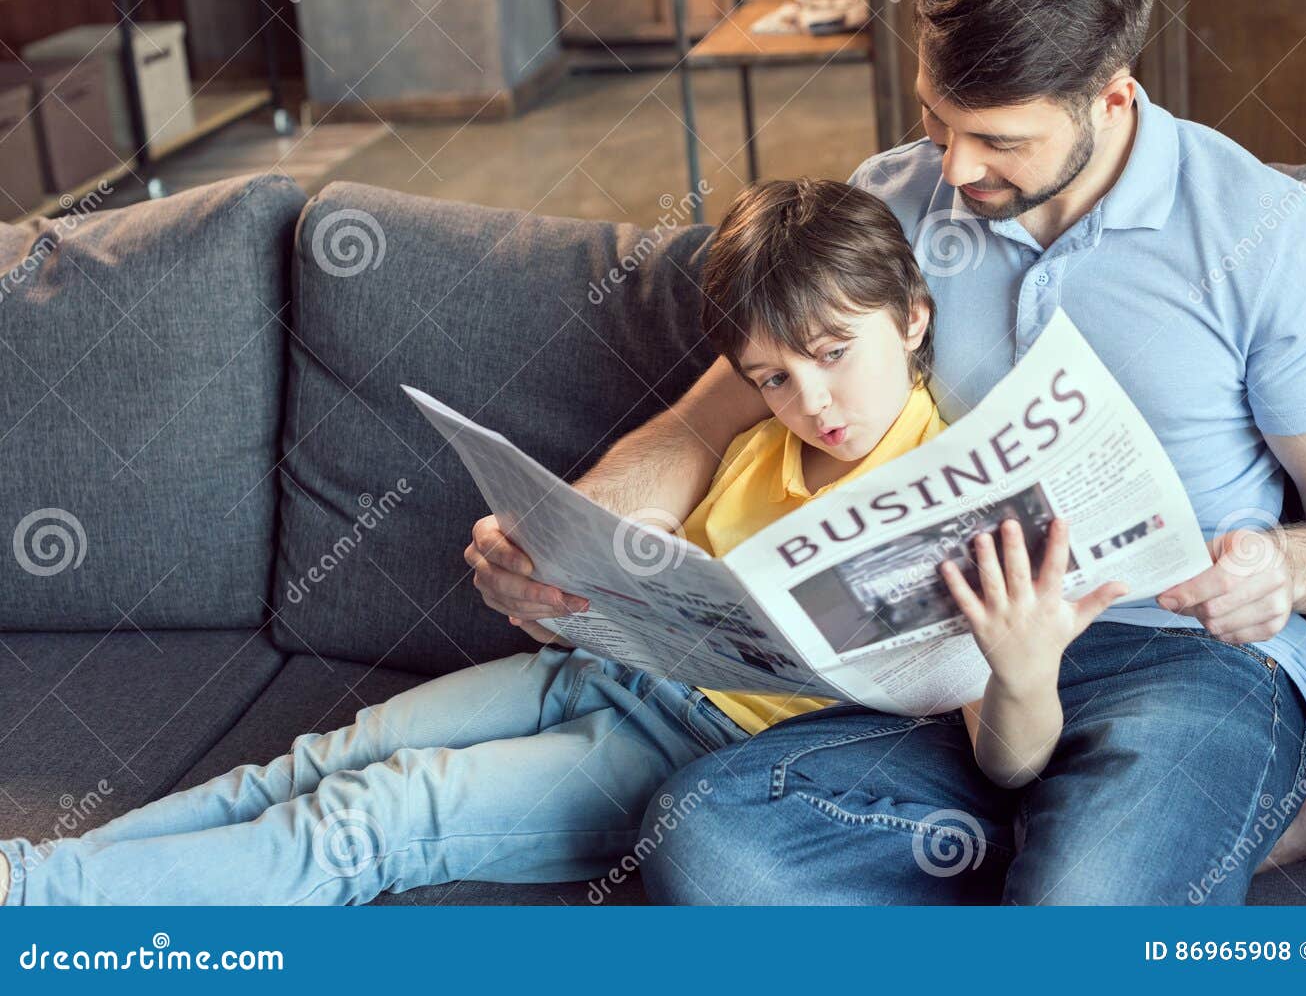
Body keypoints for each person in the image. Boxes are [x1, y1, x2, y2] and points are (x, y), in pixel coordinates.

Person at [474, 0, 1306, 905]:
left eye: (998, 139)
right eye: (936, 118)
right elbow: (703, 420)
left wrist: (1284, 567)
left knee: (1080, 910)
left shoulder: (1255, 228)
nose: (955, 166)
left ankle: (1130, 846)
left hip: (1181, 663)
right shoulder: (891, 201)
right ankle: (1179, 844)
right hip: (942, 679)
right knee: (705, 843)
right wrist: (569, 542)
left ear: (1111, 98)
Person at [0, 177, 1029, 906]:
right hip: (601, 674)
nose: (812, 402)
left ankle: (47, 912)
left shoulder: (951, 492)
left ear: (912, 318)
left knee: (383, 814)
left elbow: (1007, 755)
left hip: (703, 747)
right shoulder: (757, 442)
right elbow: (658, 572)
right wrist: (579, 574)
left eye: (834, 353)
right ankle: (35, 881)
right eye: (772, 377)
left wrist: (1022, 670)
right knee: (325, 755)